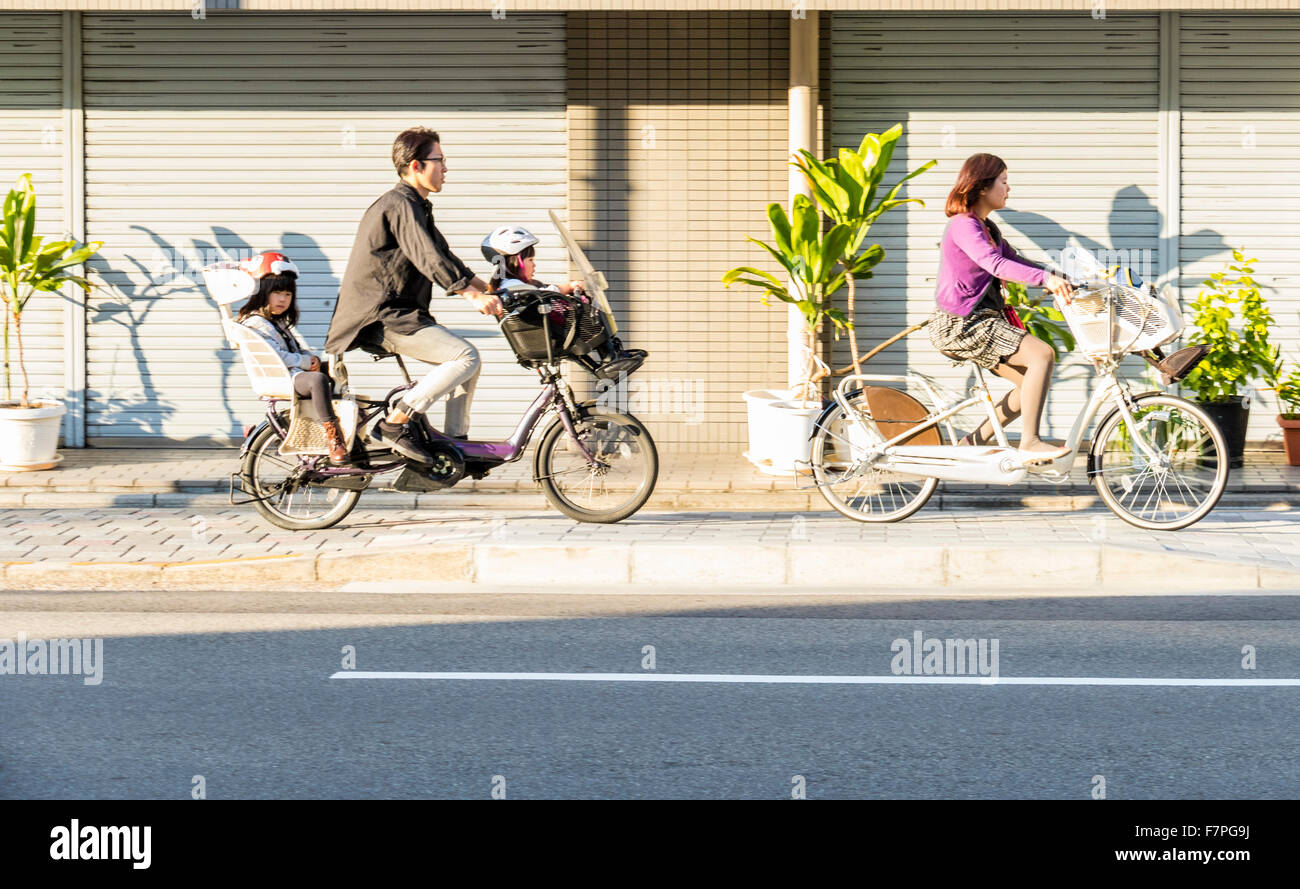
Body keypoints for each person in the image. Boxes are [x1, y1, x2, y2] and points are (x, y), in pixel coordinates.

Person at [325, 126, 502, 464]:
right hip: (379, 318)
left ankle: (455, 446)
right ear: (416, 165)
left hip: (400, 315)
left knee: (468, 364)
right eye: (440, 160)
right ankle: (396, 423)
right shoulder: (399, 205)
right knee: (465, 357)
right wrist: (470, 296)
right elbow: (428, 257)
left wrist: (491, 289)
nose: (446, 168)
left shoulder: (418, 206)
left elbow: (447, 258)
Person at [928, 153, 1075, 463]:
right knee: (1042, 354)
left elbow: (1016, 260)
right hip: (963, 322)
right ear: (983, 186)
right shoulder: (964, 225)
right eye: (1004, 182)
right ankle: (1030, 442)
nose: (1009, 189)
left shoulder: (988, 228)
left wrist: (1062, 278)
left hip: (979, 320)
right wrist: (1045, 279)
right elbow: (994, 264)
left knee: (1027, 385)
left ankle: (970, 445)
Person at [236, 252, 348, 465]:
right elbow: (277, 356)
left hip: (292, 374)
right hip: (281, 376)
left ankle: (340, 423)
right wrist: (306, 362)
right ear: (262, 293)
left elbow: (293, 349)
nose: (282, 299)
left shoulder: (273, 322)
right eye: (276, 293)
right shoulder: (256, 323)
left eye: (287, 294)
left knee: (333, 370)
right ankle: (334, 437)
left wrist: (311, 358)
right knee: (317, 380)